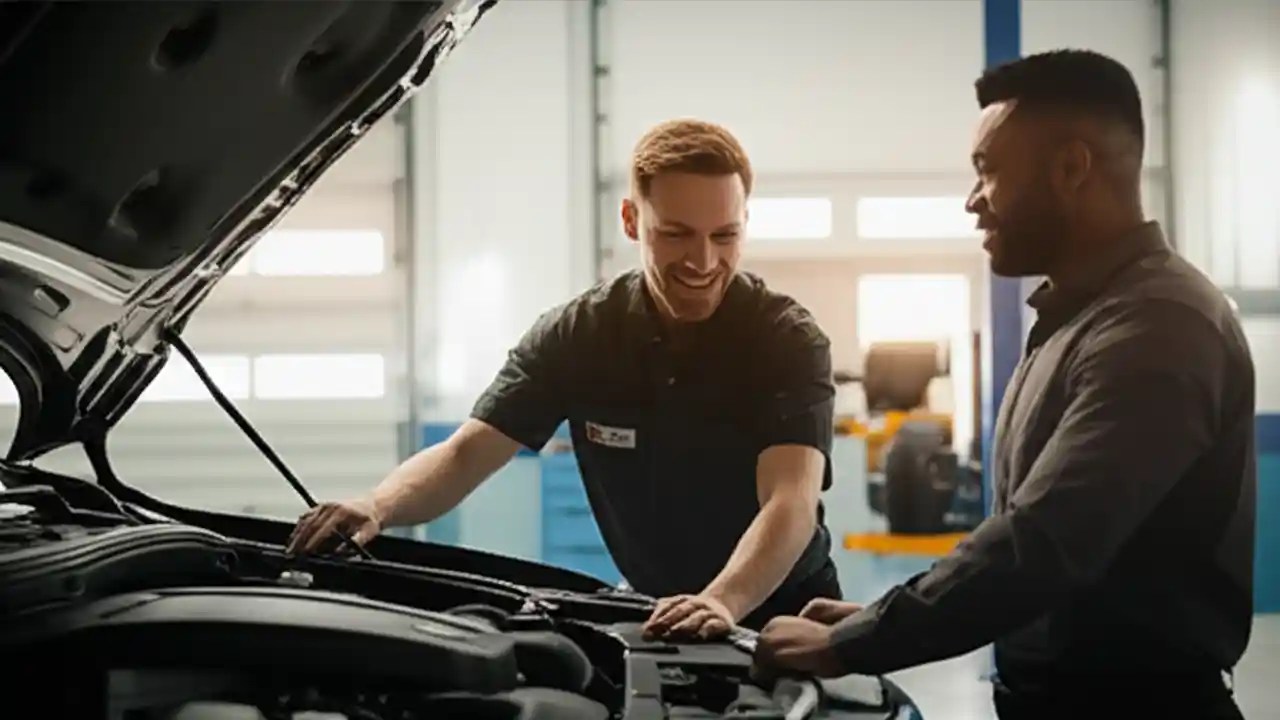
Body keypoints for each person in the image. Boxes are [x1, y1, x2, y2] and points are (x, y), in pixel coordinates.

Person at [750, 49, 1256, 720]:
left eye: (987, 170)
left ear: (1072, 167)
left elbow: (1046, 541)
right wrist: (880, 614)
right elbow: (1025, 539)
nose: (972, 201)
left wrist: (854, 642)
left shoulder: (1158, 326)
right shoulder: (1075, 318)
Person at [288, 118, 844, 640]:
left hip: (788, 617)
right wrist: (377, 506)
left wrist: (722, 601)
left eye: (725, 236)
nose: (703, 260)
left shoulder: (785, 340)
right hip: (662, 614)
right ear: (631, 220)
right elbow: (466, 453)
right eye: (675, 234)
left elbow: (789, 501)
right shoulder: (578, 336)